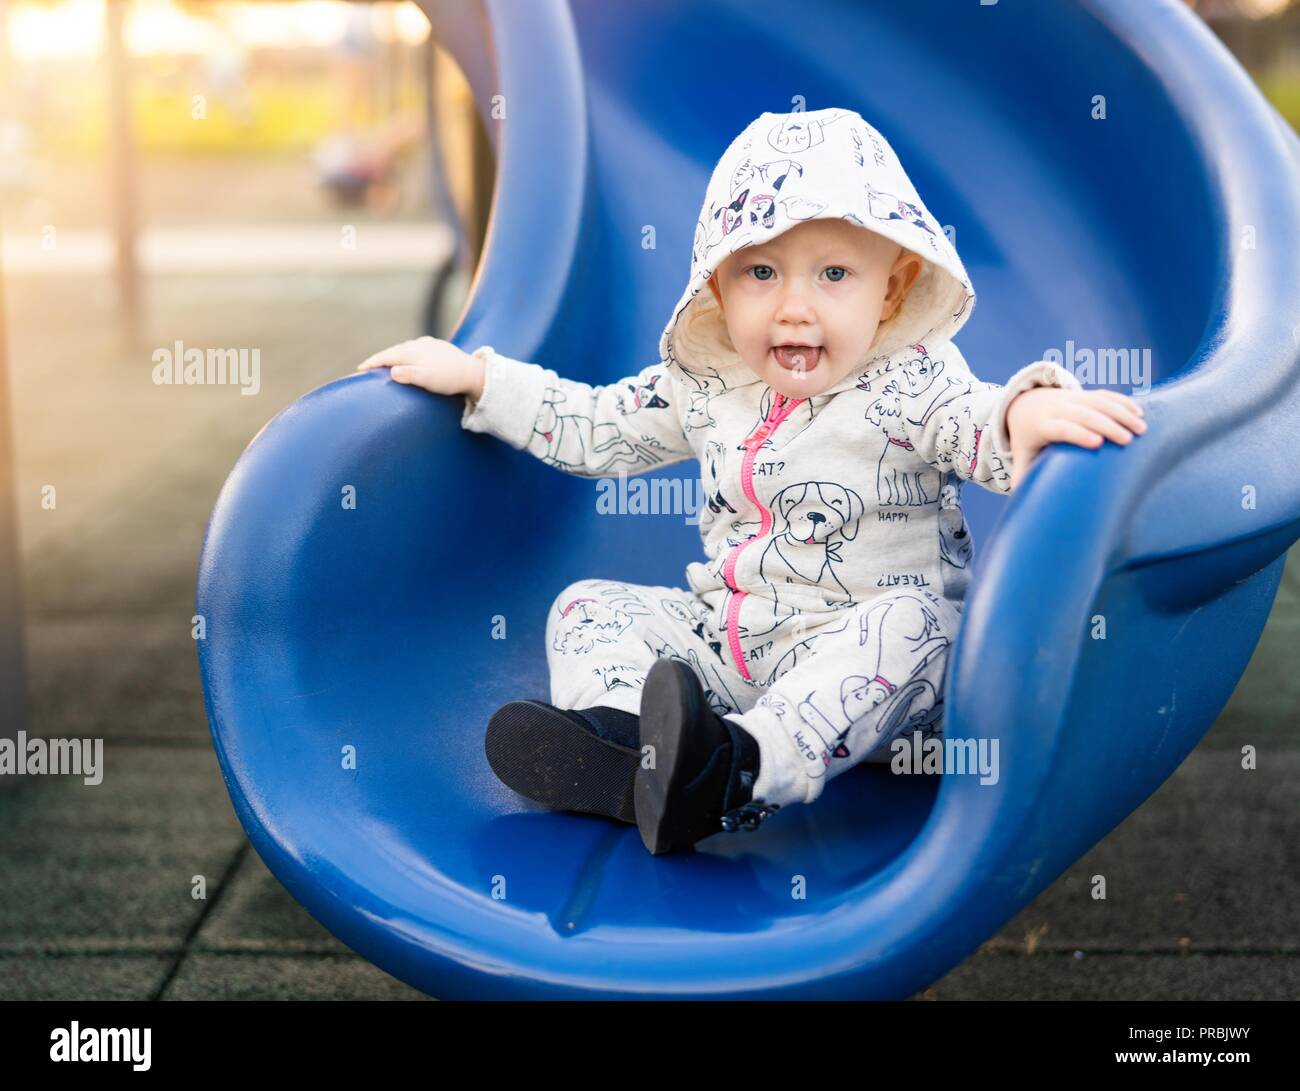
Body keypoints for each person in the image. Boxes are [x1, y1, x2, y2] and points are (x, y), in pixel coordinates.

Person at [355, 107, 1146, 855]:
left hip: (882, 689)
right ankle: (633, 746)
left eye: (834, 273)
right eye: (761, 272)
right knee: (588, 604)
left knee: (916, 622)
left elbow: (981, 423)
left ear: (892, 289)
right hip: (737, 660)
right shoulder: (707, 383)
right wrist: (482, 382)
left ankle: (734, 770)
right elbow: (599, 425)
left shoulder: (912, 381)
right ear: (719, 286)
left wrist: (1029, 412)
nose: (794, 307)